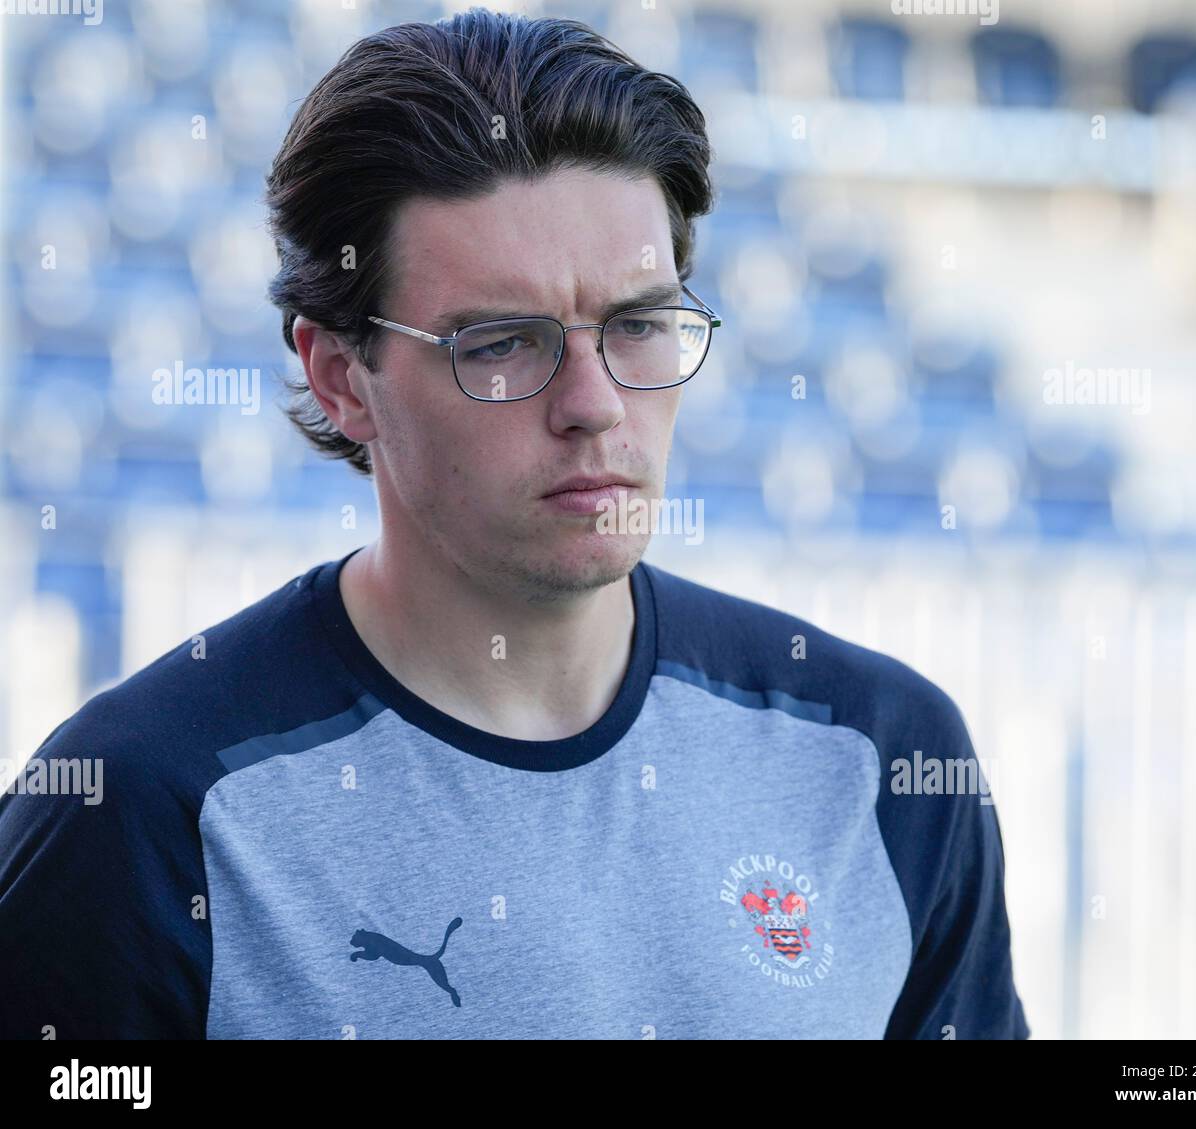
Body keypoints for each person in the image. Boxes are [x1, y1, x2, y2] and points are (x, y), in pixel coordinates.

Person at [0, 10, 1028, 1039]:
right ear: (343, 377)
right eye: (501, 343)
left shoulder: (877, 756)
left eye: (638, 323)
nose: (595, 403)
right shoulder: (142, 810)